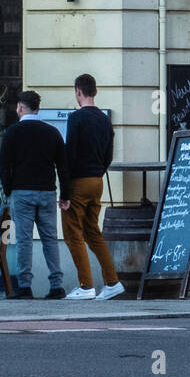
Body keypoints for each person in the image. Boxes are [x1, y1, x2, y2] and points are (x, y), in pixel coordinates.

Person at [0, 90, 69, 299]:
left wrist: (8, 189)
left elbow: (4, 166)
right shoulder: (52, 132)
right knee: (50, 239)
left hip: (21, 192)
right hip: (47, 192)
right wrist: (65, 194)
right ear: (38, 108)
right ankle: (57, 285)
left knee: (24, 240)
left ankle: (25, 286)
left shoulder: (12, 133)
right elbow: (63, 167)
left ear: (20, 107)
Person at [63, 74, 124, 300]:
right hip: (97, 181)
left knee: (73, 234)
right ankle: (112, 282)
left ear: (78, 92)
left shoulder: (76, 119)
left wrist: (65, 191)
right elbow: (109, 154)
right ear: (94, 91)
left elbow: (70, 154)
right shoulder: (105, 120)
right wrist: (98, 171)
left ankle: (86, 285)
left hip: (78, 181)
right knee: (93, 232)